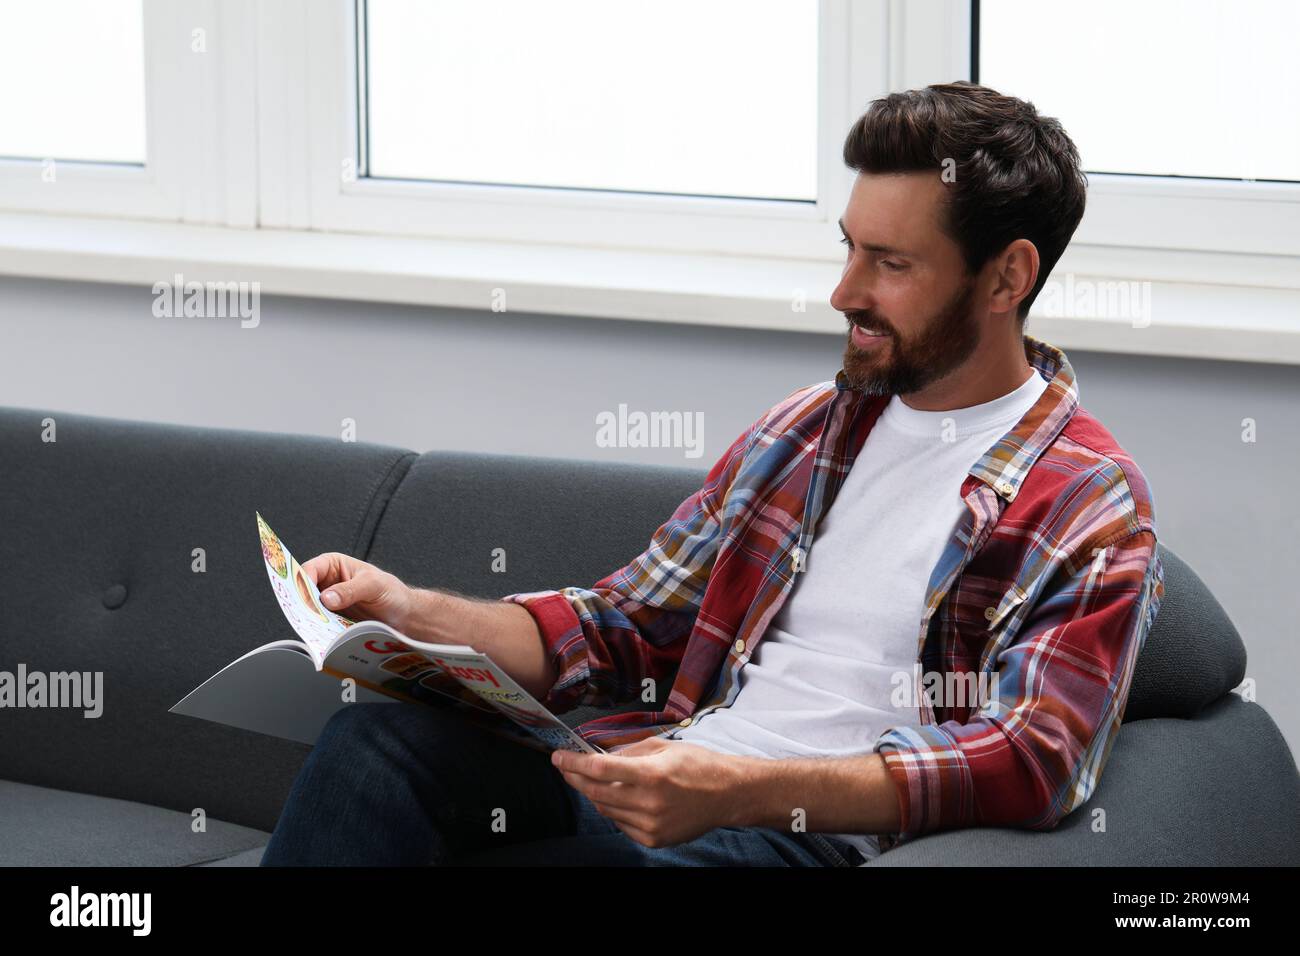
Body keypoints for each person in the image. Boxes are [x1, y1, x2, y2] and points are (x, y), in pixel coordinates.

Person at [261, 81, 1164, 867]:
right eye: (849, 248)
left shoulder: (1086, 499)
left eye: (891, 265)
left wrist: (740, 790)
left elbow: (1033, 757)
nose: (845, 292)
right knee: (375, 745)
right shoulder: (805, 430)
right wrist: (411, 612)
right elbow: (621, 627)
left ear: (1007, 277)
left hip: (795, 839)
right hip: (668, 775)